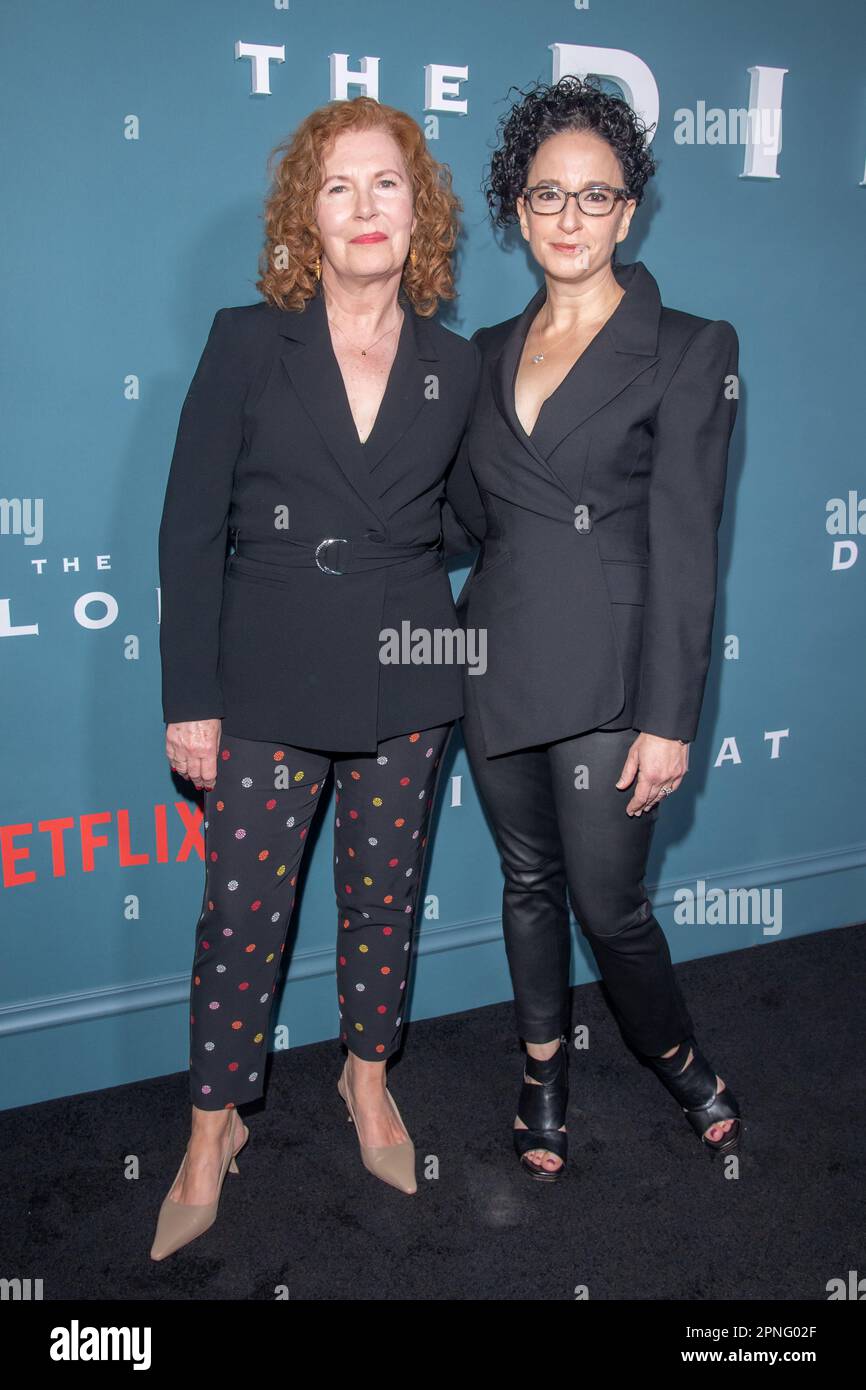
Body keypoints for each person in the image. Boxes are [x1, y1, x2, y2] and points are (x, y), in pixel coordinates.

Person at [151, 95, 481, 1258]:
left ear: (417, 206)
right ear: (309, 217)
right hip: (263, 674)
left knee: (384, 901)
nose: (364, 205)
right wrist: (190, 695)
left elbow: (474, 516)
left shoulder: (454, 360)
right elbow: (190, 525)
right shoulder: (249, 337)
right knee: (243, 913)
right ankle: (210, 1125)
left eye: (384, 182)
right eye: (337, 186)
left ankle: (365, 1076)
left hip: (408, 672)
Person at [444, 76, 742, 1180]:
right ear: (515, 211)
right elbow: (462, 522)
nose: (568, 219)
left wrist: (669, 719)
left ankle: (668, 1050)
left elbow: (686, 546)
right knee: (525, 882)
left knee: (609, 906)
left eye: (593, 197)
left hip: (614, 677)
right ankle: (540, 1070)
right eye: (545, 197)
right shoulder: (475, 354)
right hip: (496, 660)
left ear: (628, 209)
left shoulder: (688, 346)